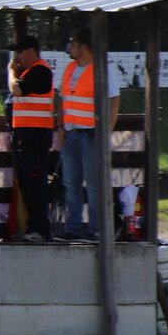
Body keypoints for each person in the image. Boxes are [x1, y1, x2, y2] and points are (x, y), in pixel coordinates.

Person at [57, 26, 120, 242]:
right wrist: (60, 127)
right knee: (71, 183)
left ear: (83, 47)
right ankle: (73, 228)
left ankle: (96, 228)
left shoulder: (103, 69)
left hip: (92, 135)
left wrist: (106, 133)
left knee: (93, 184)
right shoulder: (70, 69)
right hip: (70, 134)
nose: (70, 48)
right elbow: (62, 100)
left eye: (73, 44)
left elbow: (114, 101)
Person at [5, 36, 56, 242]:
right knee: (28, 183)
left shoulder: (40, 70)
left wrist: (10, 72)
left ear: (32, 51)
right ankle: (33, 227)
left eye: (20, 51)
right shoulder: (29, 72)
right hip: (27, 135)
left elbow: (16, 90)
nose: (18, 56)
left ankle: (40, 228)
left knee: (36, 182)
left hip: (36, 135)